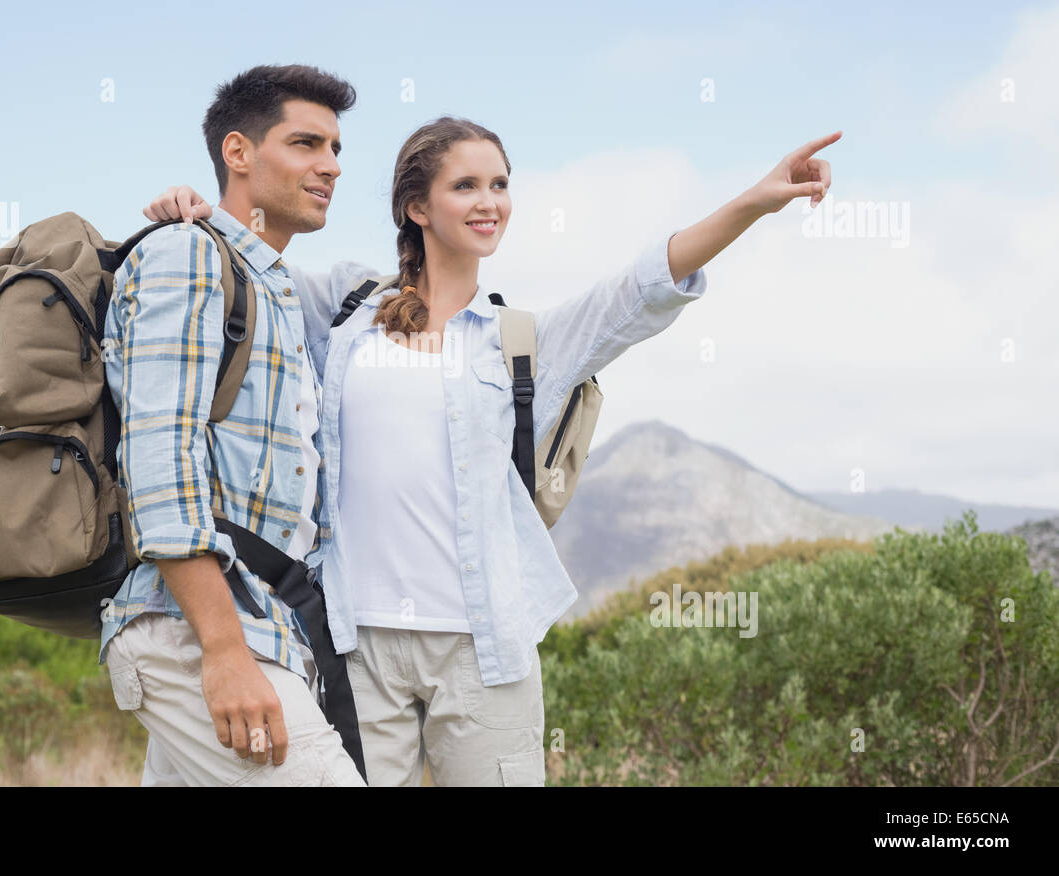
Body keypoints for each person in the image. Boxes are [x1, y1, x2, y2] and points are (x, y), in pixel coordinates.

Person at [144, 119, 839, 786]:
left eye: (500, 185)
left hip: (485, 651)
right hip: (355, 645)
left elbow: (642, 287)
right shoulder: (344, 308)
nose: (490, 203)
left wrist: (755, 202)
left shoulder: (522, 340)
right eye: (467, 186)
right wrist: (196, 217)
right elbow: (245, 268)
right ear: (417, 205)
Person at [100, 63, 368, 786]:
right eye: (307, 144)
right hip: (197, 634)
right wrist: (223, 652)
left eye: (337, 149)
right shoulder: (189, 254)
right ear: (238, 153)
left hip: (262, 629)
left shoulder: (273, 286)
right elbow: (159, 458)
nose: (331, 167)